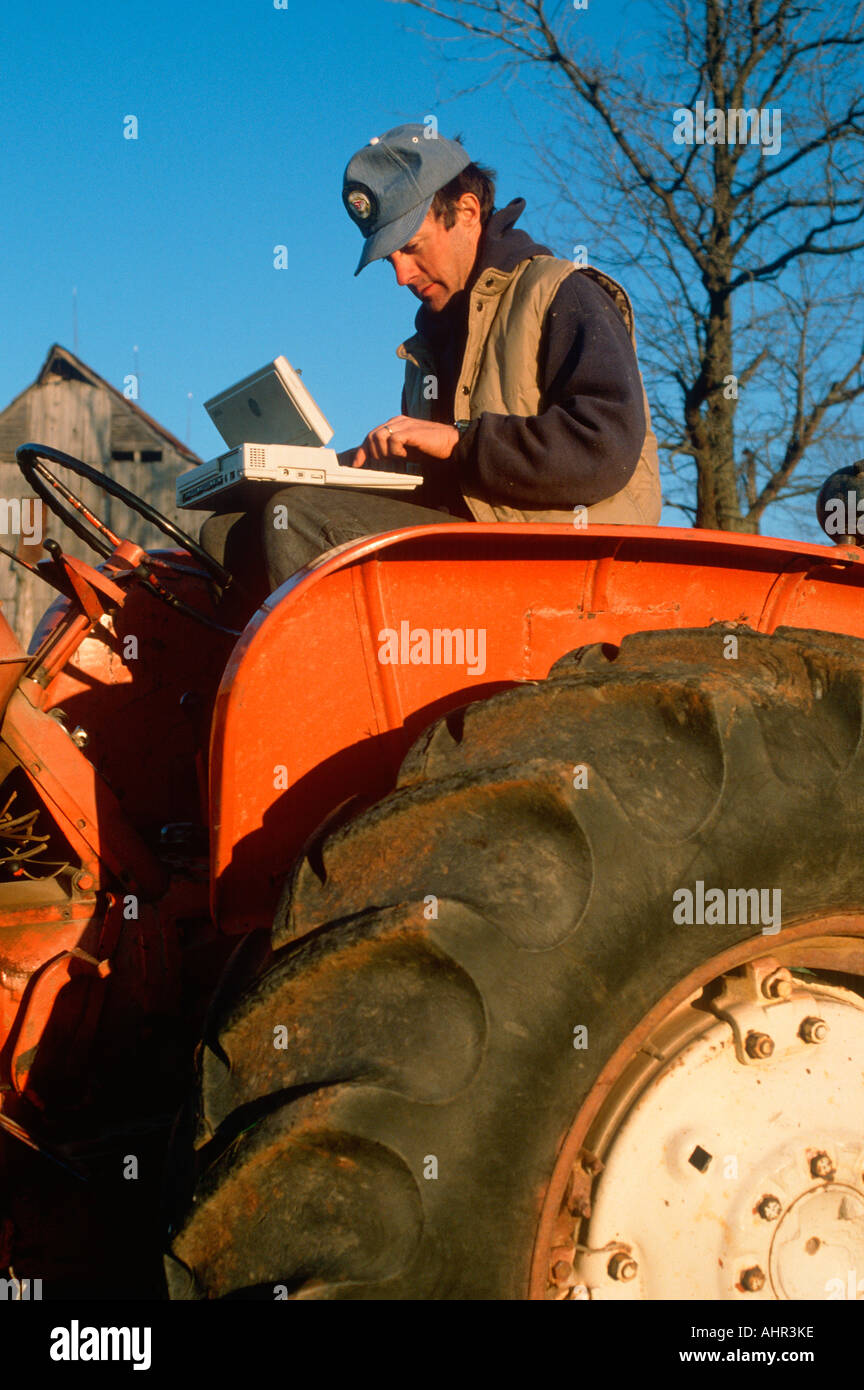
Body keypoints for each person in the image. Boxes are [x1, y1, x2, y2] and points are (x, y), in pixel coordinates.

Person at [200, 124, 660, 602]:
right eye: (389, 260)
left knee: (297, 516)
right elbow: (444, 482)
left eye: (411, 248)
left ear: (466, 212)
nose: (401, 276)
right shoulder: (426, 345)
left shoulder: (562, 293)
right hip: (471, 540)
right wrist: (359, 471)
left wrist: (458, 443)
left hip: (557, 559)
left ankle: (316, 676)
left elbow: (604, 448)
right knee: (230, 533)